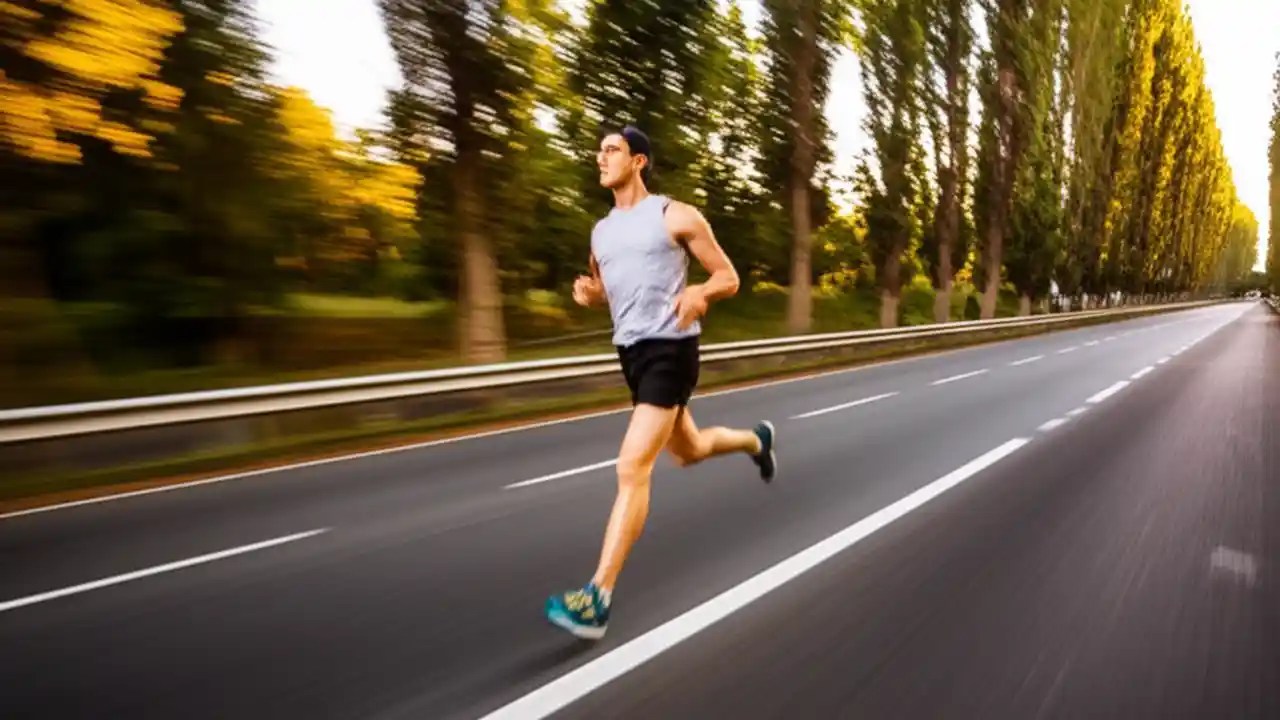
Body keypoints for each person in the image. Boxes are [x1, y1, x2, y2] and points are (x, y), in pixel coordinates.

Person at [544, 125, 777, 640]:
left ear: (639, 161)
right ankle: (755, 441)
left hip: (672, 350)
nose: (600, 157)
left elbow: (728, 277)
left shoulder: (675, 215)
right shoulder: (600, 232)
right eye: (599, 149)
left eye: (612, 150)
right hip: (631, 355)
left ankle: (596, 598)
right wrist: (591, 295)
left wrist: (700, 293)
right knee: (687, 450)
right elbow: (609, 288)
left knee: (632, 466)